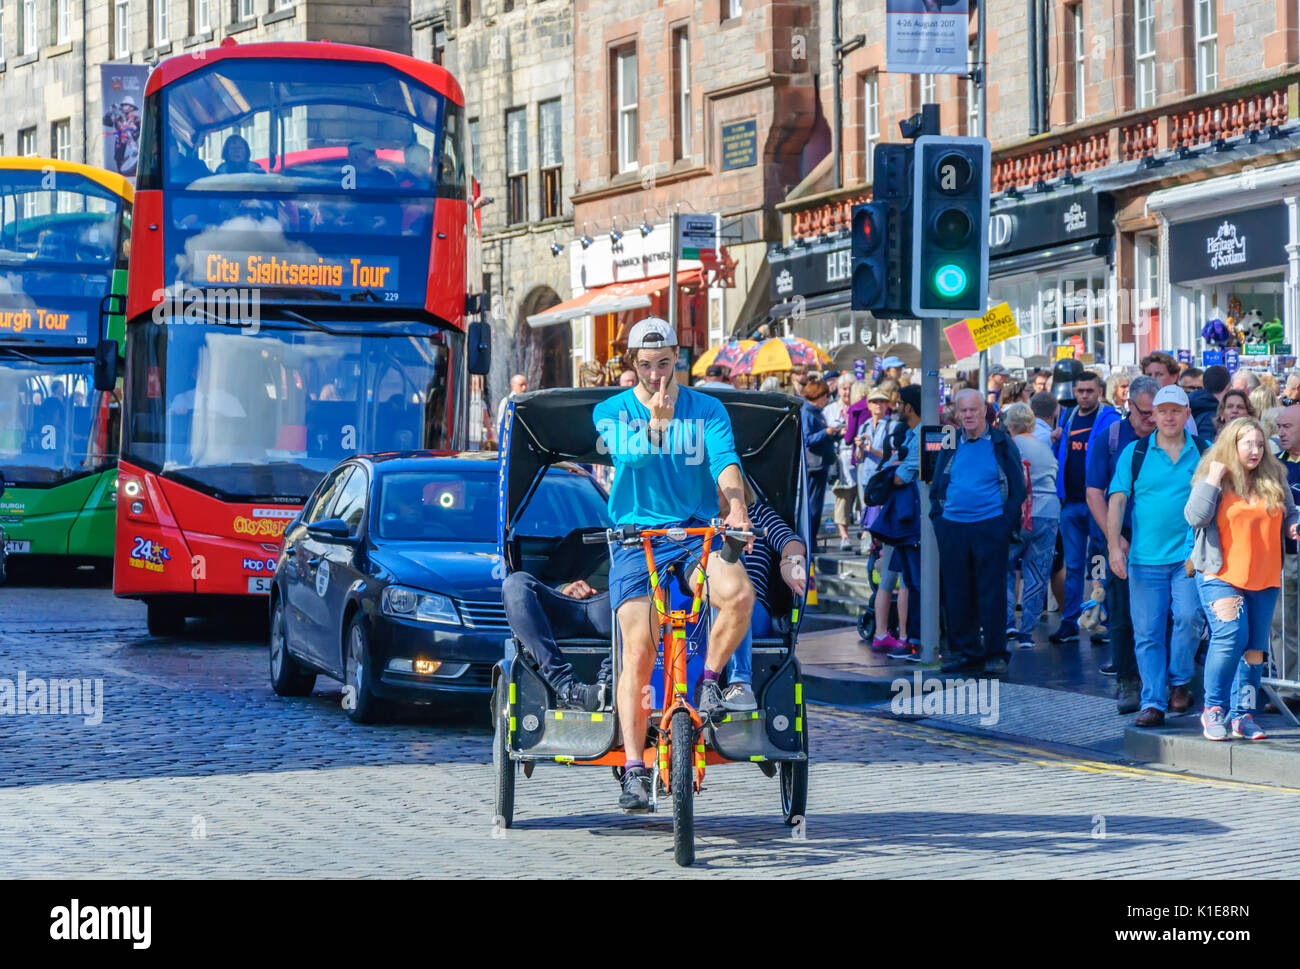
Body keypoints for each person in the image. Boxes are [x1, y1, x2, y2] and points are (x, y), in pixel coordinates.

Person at [592, 317, 753, 813]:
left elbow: (724, 461)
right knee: (639, 649)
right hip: (635, 537)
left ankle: (706, 686)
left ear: (678, 359)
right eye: (646, 366)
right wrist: (658, 425)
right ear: (632, 364)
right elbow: (628, 458)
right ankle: (635, 770)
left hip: (694, 534)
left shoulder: (707, 408)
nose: (657, 375)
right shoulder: (611, 410)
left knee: (739, 595)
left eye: (665, 364)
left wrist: (737, 508)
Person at [1186, 417, 1299, 741]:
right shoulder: (1216, 477)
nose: (1255, 450)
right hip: (1220, 575)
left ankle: (1242, 714)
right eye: (1248, 443)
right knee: (1229, 636)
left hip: (1263, 576)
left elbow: (1290, 512)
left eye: (1260, 444)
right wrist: (1213, 479)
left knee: (1254, 650)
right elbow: (1195, 516)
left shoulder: (1274, 475)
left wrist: (1294, 524)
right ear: (1232, 445)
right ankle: (1214, 710)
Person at [1107, 383, 1207, 727]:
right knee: (1147, 633)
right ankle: (1154, 701)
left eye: (1175, 410)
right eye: (1161, 410)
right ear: (1153, 415)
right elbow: (1117, 500)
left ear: (1186, 415)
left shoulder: (1204, 451)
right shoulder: (1135, 453)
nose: (1167, 416)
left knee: (1190, 618)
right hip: (1145, 559)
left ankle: (1179, 679)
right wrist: (1112, 547)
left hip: (1190, 557)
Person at [929, 388, 1028, 675]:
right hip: (953, 528)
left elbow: (1017, 488)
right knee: (958, 593)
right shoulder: (951, 442)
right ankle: (965, 652)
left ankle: (995, 653)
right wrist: (939, 519)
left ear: (984, 410)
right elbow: (937, 485)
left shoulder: (1000, 442)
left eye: (973, 409)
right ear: (957, 414)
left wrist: (1002, 523)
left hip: (989, 526)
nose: (968, 415)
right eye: (963, 410)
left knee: (991, 593)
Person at [1086, 375, 1159, 711]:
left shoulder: (1170, 436)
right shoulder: (1110, 439)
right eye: (1145, 413)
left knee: (1165, 613)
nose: (1152, 419)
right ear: (1129, 406)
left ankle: (1164, 682)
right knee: (1121, 613)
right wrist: (1114, 539)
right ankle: (1127, 681)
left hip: (1162, 540)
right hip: (1122, 539)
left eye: (1155, 412)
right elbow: (1094, 492)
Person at [719, 488, 808, 710]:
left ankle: (741, 685)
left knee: (734, 599)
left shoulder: (757, 515)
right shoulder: (696, 518)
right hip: (703, 609)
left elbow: (791, 542)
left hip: (751, 607)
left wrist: (789, 562)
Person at [1050, 370, 1120, 644]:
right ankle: (1070, 622)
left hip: (1098, 503)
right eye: (1080, 391)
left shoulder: (1110, 419)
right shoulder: (1068, 417)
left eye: (1089, 391)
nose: (1084, 395)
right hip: (1071, 502)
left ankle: (1103, 620)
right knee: (1074, 565)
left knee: (1099, 562)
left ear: (1099, 391)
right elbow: (1063, 455)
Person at [501, 571, 612, 712]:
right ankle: (567, 687)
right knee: (514, 583)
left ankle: (607, 687)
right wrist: (562, 587)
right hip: (560, 602)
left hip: (615, 601)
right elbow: (539, 571)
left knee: (641, 594)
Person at [1003, 403, 1060, 649]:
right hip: (1048, 513)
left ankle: (1007, 623)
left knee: (1005, 570)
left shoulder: (1010, 446)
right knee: (1037, 573)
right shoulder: (1045, 447)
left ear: (1010, 425)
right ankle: (1027, 631)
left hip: (1018, 514)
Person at [877, 384, 925, 660]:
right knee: (908, 579)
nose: (896, 407)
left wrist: (892, 469)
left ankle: (917, 639)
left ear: (909, 406)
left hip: (913, 521)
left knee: (916, 581)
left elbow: (898, 476)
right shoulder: (910, 434)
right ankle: (912, 638)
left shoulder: (920, 436)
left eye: (900, 402)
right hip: (904, 521)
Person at [1271, 403, 1300, 708]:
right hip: (1282, 556)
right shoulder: (1272, 464)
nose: (1280, 433)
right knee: (1280, 624)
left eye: (1287, 427)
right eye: (1279, 427)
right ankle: (1288, 689)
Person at [800, 378, 840, 551]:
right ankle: (810, 541)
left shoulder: (815, 412)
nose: (827, 400)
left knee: (815, 505)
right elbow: (807, 439)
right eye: (825, 396)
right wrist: (827, 432)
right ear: (819, 396)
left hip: (819, 464)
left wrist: (834, 434)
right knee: (813, 506)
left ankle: (811, 540)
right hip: (814, 465)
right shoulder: (808, 413)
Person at [822, 379, 856, 550]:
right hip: (840, 459)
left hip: (858, 458)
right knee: (842, 497)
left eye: (850, 389)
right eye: (844, 389)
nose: (847, 393)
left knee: (860, 500)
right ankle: (844, 536)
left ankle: (865, 535)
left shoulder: (859, 409)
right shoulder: (830, 410)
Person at [1188, 364, 1231, 439]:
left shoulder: (1190, 403)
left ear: (1204, 385)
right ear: (1227, 387)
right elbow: (1207, 447)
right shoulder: (1212, 416)